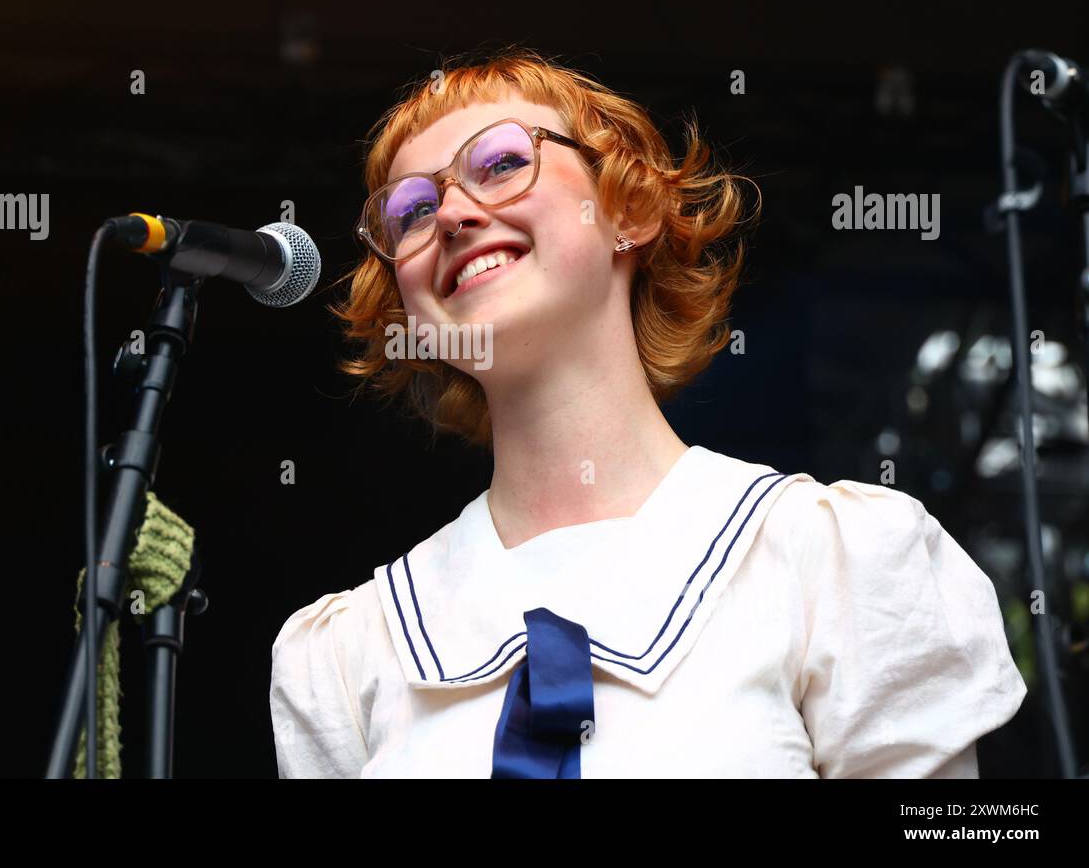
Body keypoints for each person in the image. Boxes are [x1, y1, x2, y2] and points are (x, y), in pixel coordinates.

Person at [269, 45, 1026, 778]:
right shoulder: (346, 653)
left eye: (500, 163)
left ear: (628, 209)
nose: (454, 214)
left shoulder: (834, 562)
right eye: (412, 211)